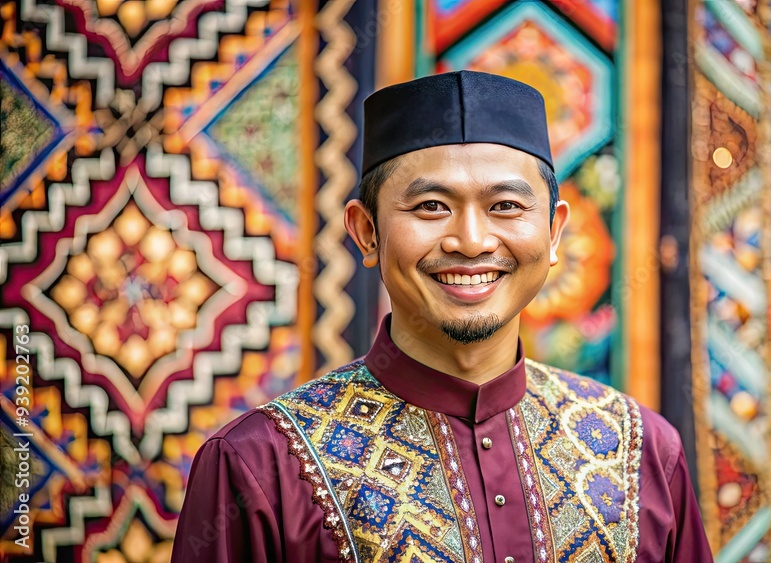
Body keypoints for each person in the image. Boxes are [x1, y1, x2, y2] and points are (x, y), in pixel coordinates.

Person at [172, 70, 713, 562]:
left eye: (506, 206)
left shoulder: (639, 452)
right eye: (431, 207)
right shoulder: (259, 466)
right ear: (367, 232)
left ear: (553, 233)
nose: (471, 241)